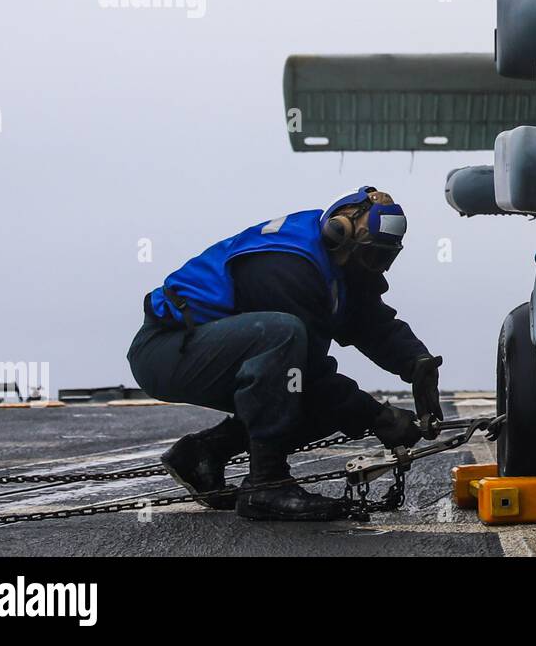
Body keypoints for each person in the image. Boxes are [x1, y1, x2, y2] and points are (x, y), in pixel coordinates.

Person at [127, 187, 443, 521]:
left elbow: (370, 322)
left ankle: (204, 453)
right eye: (371, 256)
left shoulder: (343, 267)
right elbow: (309, 371)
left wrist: (417, 363)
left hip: (204, 351)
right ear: (340, 232)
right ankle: (265, 485)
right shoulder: (285, 266)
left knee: (321, 405)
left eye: (383, 259)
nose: (375, 268)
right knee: (285, 336)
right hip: (167, 350)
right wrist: (378, 417)